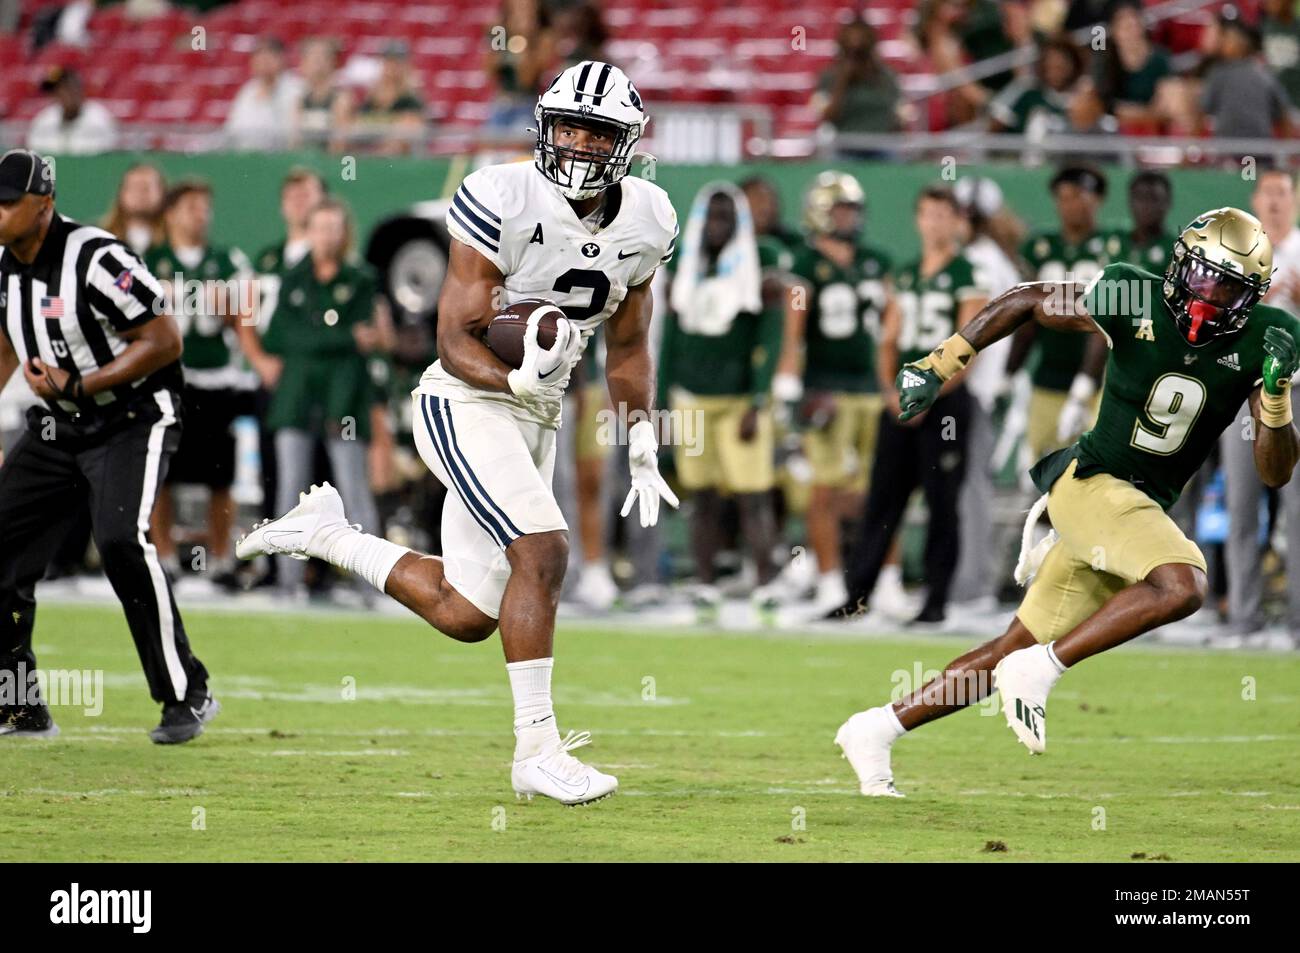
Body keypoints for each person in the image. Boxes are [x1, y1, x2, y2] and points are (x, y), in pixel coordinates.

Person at [236, 61, 678, 805]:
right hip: (465, 398)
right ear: (543, 124)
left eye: (594, 131)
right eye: (565, 124)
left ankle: (329, 534)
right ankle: (536, 746)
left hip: (539, 408)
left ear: (625, 144)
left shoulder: (648, 219)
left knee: (468, 612)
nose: (575, 141)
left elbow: (629, 346)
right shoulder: (500, 195)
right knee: (543, 549)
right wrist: (513, 380)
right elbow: (452, 336)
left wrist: (639, 438)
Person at [835, 207, 1298, 796]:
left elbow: (1275, 473)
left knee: (1011, 648)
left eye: (1226, 286)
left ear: (1250, 294)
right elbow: (1028, 298)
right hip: (1092, 483)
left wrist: (1277, 401)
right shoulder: (1135, 292)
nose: (1208, 295)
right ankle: (1045, 668)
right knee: (1184, 584)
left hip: (1137, 508)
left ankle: (876, 727)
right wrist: (942, 359)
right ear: (1180, 265)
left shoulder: (1270, 335)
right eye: (1201, 276)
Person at [0, 149, 218, 743]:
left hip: (133, 416)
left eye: (8, 201)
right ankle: (18, 704)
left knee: (120, 539)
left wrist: (81, 383)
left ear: (43, 206)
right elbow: (6, 342)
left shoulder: (95, 256)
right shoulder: (4, 266)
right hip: (58, 423)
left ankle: (186, 693)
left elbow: (164, 338)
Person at [830, 185, 989, 625]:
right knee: (882, 499)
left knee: (942, 500)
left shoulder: (968, 274)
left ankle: (936, 601)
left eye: (943, 214)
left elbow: (969, 345)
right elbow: (888, 339)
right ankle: (855, 597)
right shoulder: (902, 273)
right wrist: (891, 392)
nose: (934, 223)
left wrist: (929, 391)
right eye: (927, 214)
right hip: (901, 400)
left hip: (946, 404)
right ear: (917, 220)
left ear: (957, 221)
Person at [252, 198, 391, 599]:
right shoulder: (293, 277)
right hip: (296, 398)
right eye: (321, 227)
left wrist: (318, 341)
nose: (328, 236)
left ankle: (374, 585)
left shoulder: (362, 278)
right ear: (309, 231)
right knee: (289, 491)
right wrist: (343, 338)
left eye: (334, 228)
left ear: (344, 233)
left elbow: (366, 342)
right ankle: (286, 582)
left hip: (343, 400)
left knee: (354, 493)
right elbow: (277, 337)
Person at [658, 183, 784, 621]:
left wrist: (758, 399)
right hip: (692, 398)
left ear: (738, 223)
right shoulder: (685, 263)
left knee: (753, 497)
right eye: (711, 218)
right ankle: (706, 584)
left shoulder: (760, 261)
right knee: (703, 497)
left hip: (738, 402)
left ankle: (767, 583)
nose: (717, 227)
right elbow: (670, 341)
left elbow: (772, 335)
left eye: (725, 219)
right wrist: (658, 404)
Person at [783, 172, 897, 615]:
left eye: (852, 210)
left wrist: (891, 383)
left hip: (872, 390)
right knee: (825, 492)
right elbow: (794, 334)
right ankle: (831, 580)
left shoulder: (876, 262)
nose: (848, 218)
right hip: (826, 390)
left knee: (885, 490)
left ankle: (884, 580)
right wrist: (792, 391)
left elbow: (891, 328)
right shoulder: (804, 265)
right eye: (840, 210)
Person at [145, 179, 256, 589]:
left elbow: (247, 316)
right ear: (171, 212)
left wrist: (226, 307)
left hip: (216, 381)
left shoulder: (228, 259)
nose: (200, 214)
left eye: (205, 206)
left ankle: (222, 557)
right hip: (168, 380)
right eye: (191, 206)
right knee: (161, 472)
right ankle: (166, 557)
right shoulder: (148, 260)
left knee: (220, 474)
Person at [1221, 171, 1300, 645]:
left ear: (1293, 202)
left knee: (1299, 511)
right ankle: (1243, 620)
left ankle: (1297, 624)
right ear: (1254, 200)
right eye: (1266, 194)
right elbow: (1209, 318)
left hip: (1296, 392)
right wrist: (1255, 302)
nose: (1273, 202)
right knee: (1240, 509)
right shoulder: (1238, 254)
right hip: (1246, 392)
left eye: (1282, 194)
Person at [949, 176, 1025, 611]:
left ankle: (971, 585)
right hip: (982, 387)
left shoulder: (980, 261)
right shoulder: (997, 259)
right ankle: (967, 581)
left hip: (970, 388)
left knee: (969, 488)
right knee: (967, 487)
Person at [1010, 165, 1119, 462]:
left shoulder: (1114, 246)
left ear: (1097, 200)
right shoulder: (1039, 247)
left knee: (1097, 469)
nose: (1072, 205)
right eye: (1065, 197)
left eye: (1080, 196)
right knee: (1038, 470)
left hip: (1102, 384)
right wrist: (1010, 371)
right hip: (1048, 377)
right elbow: (1025, 319)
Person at [1200, 9, 1292, 141]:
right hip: (1230, 151)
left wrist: (1287, 155)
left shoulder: (1263, 73)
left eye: (1230, 36)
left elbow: (1284, 116)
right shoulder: (1218, 71)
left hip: (1254, 152)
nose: (1226, 41)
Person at [812, 20, 903, 148]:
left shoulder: (886, 77)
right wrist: (842, 81)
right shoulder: (830, 77)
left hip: (882, 146)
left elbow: (900, 117)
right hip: (843, 147)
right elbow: (826, 116)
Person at [988, 35, 1082, 135]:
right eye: (1048, 66)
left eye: (1058, 67)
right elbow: (995, 126)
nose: (1052, 74)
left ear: (1071, 67)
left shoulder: (1082, 98)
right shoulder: (1025, 89)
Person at [224, 36, 305, 151]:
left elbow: (295, 132)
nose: (263, 62)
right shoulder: (247, 91)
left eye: (269, 57)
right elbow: (232, 130)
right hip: (246, 156)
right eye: (259, 57)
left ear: (281, 59)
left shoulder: (296, 88)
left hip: (281, 155)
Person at [350, 42, 426, 156]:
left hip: (399, 159)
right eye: (388, 62)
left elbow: (411, 129)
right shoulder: (372, 96)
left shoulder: (411, 98)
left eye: (396, 62)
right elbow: (357, 124)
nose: (391, 67)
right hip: (370, 149)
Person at [26, 66, 118, 156]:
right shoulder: (44, 120)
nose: (63, 95)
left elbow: (107, 157)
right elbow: (34, 153)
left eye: (66, 89)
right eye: (56, 91)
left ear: (78, 89)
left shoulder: (100, 120)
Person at [293, 37, 352, 152]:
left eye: (322, 56)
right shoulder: (300, 100)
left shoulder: (341, 99)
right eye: (312, 56)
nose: (317, 61)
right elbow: (296, 140)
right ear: (304, 63)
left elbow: (340, 143)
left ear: (332, 62)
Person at [100, 163, 166, 256]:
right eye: (134, 187)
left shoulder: (178, 240)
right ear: (122, 193)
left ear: (162, 194)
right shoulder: (100, 239)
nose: (140, 193)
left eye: (147, 188)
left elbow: (179, 270)